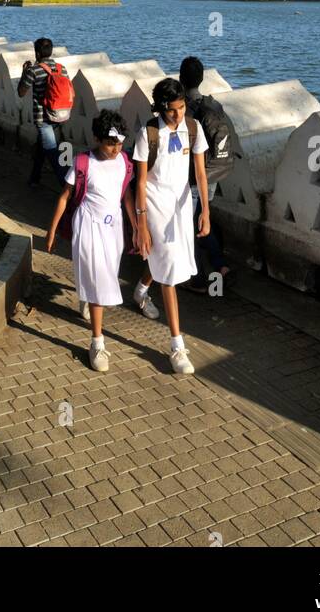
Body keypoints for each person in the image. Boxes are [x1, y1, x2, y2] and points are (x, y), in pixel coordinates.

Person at [45, 111, 138, 372]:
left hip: (114, 228)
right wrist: (51, 230)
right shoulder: (83, 162)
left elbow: (127, 197)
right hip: (88, 226)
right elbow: (65, 196)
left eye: (119, 143)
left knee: (106, 275)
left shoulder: (124, 162)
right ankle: (97, 342)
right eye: (110, 143)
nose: (115, 149)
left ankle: (86, 298)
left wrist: (137, 227)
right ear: (97, 139)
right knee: (100, 283)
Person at [132, 77, 210, 375]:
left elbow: (200, 173)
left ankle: (140, 291)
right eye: (172, 111)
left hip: (181, 206)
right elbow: (140, 180)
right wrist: (141, 223)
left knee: (167, 260)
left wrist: (205, 210)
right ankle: (177, 346)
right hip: (154, 205)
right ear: (162, 109)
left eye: (182, 108)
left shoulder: (193, 127)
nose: (178, 115)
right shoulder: (148, 134)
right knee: (170, 274)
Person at [178, 56, 235, 293]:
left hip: (192, 175)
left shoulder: (184, 110)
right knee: (203, 219)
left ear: (181, 79)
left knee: (189, 225)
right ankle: (221, 266)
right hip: (214, 173)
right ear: (201, 79)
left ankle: (198, 278)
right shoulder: (214, 105)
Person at [17, 37, 72, 188]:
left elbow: (21, 92)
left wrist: (25, 72)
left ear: (37, 53)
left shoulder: (33, 71)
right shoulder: (62, 68)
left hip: (43, 119)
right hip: (61, 115)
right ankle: (34, 179)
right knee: (42, 147)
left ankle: (68, 189)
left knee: (52, 152)